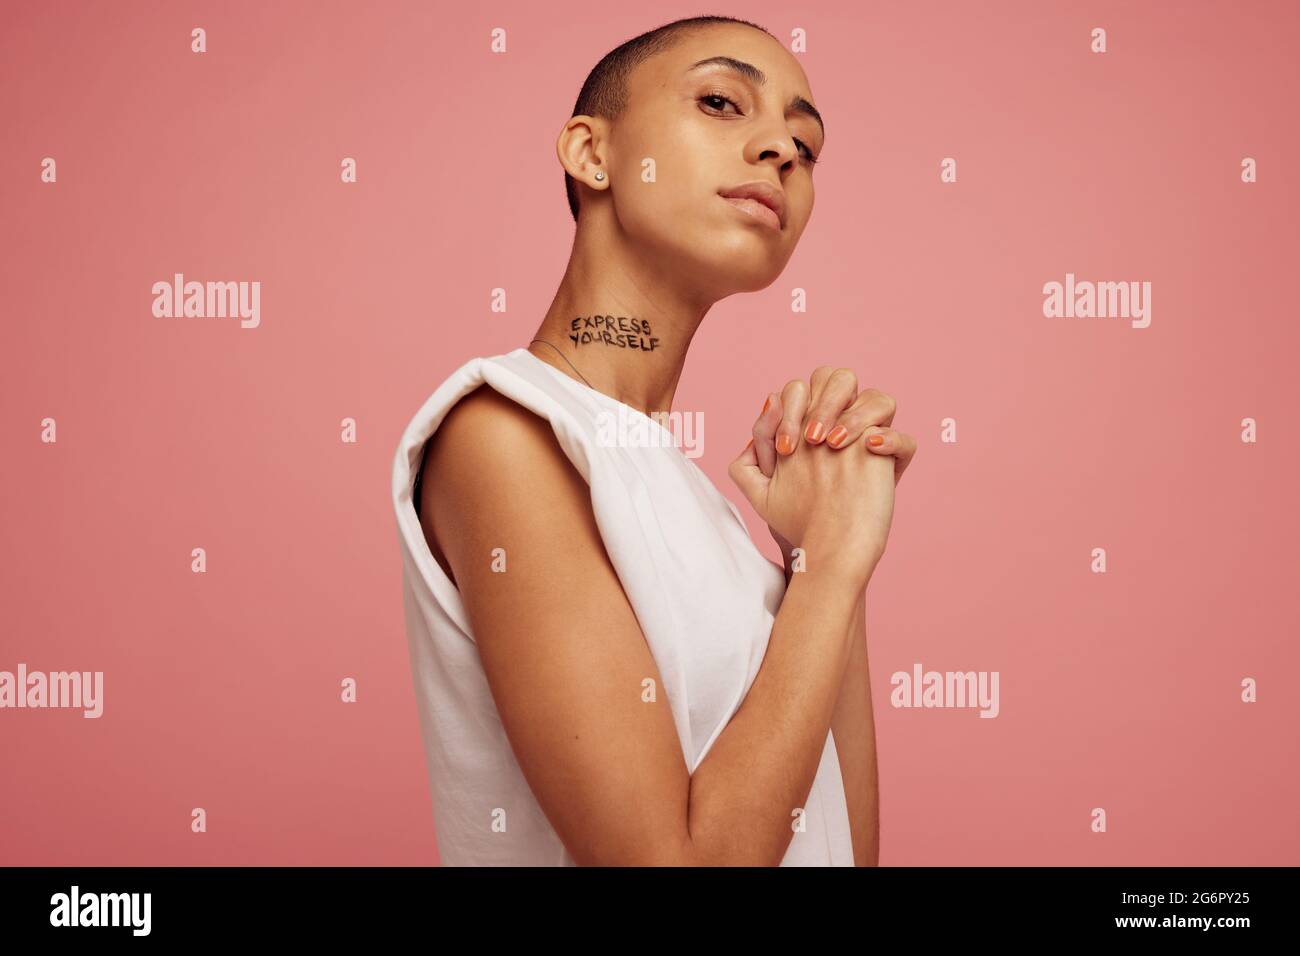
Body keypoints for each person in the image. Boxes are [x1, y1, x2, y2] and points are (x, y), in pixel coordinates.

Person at [390, 14, 917, 866]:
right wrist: (831, 575)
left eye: (806, 145)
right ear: (592, 155)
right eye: (721, 101)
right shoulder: (508, 433)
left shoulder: (699, 507)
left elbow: (840, 853)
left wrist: (822, 559)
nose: (781, 148)